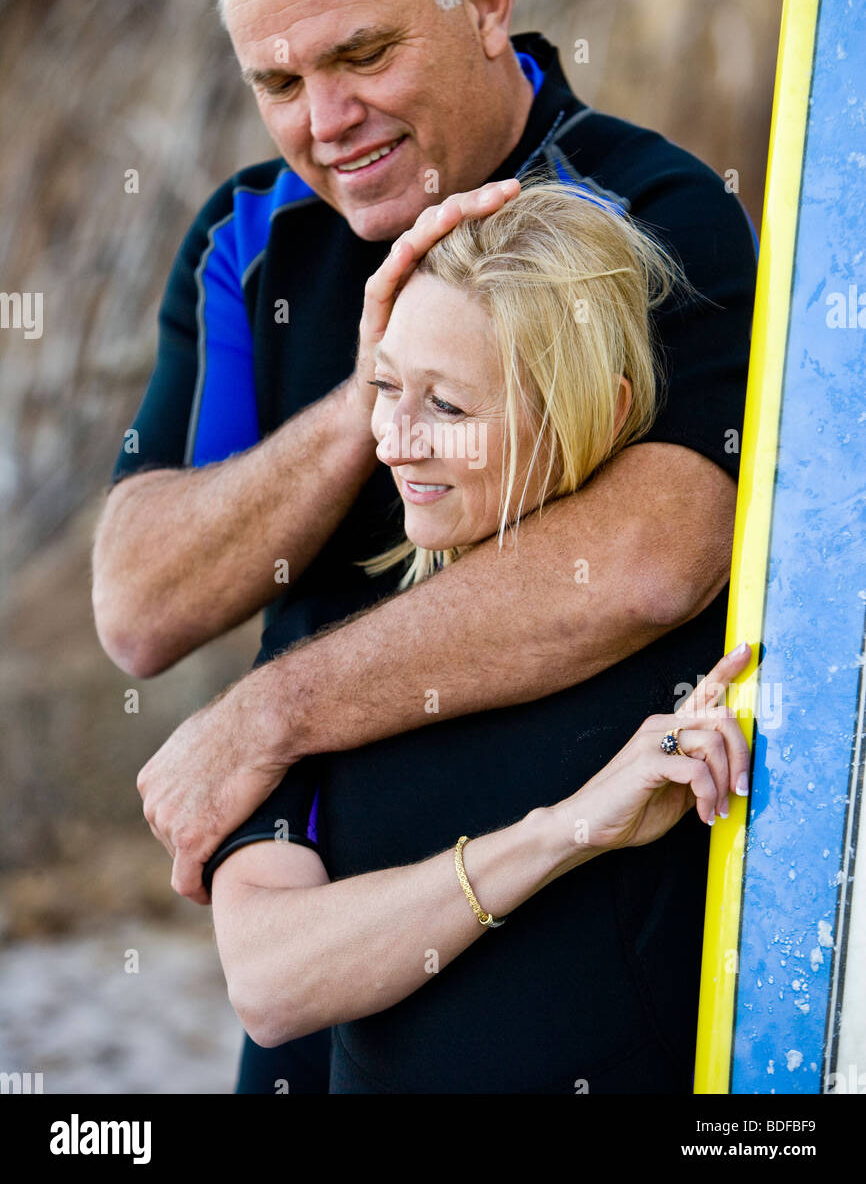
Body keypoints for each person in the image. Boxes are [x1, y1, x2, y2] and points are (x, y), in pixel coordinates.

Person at [90, 0, 756, 1092]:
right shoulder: (249, 239)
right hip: (318, 1001)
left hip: (578, 1001)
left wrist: (272, 713)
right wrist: (365, 398)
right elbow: (139, 605)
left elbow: (659, 552)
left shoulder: (651, 208)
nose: (325, 118)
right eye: (279, 83)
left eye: (362, 54)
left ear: (482, 0)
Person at [203, 179, 754, 1094]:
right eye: (386, 386)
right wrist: (567, 832)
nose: (393, 441)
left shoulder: (703, 646)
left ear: (598, 409)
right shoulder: (326, 627)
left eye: (448, 409)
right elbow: (272, 980)